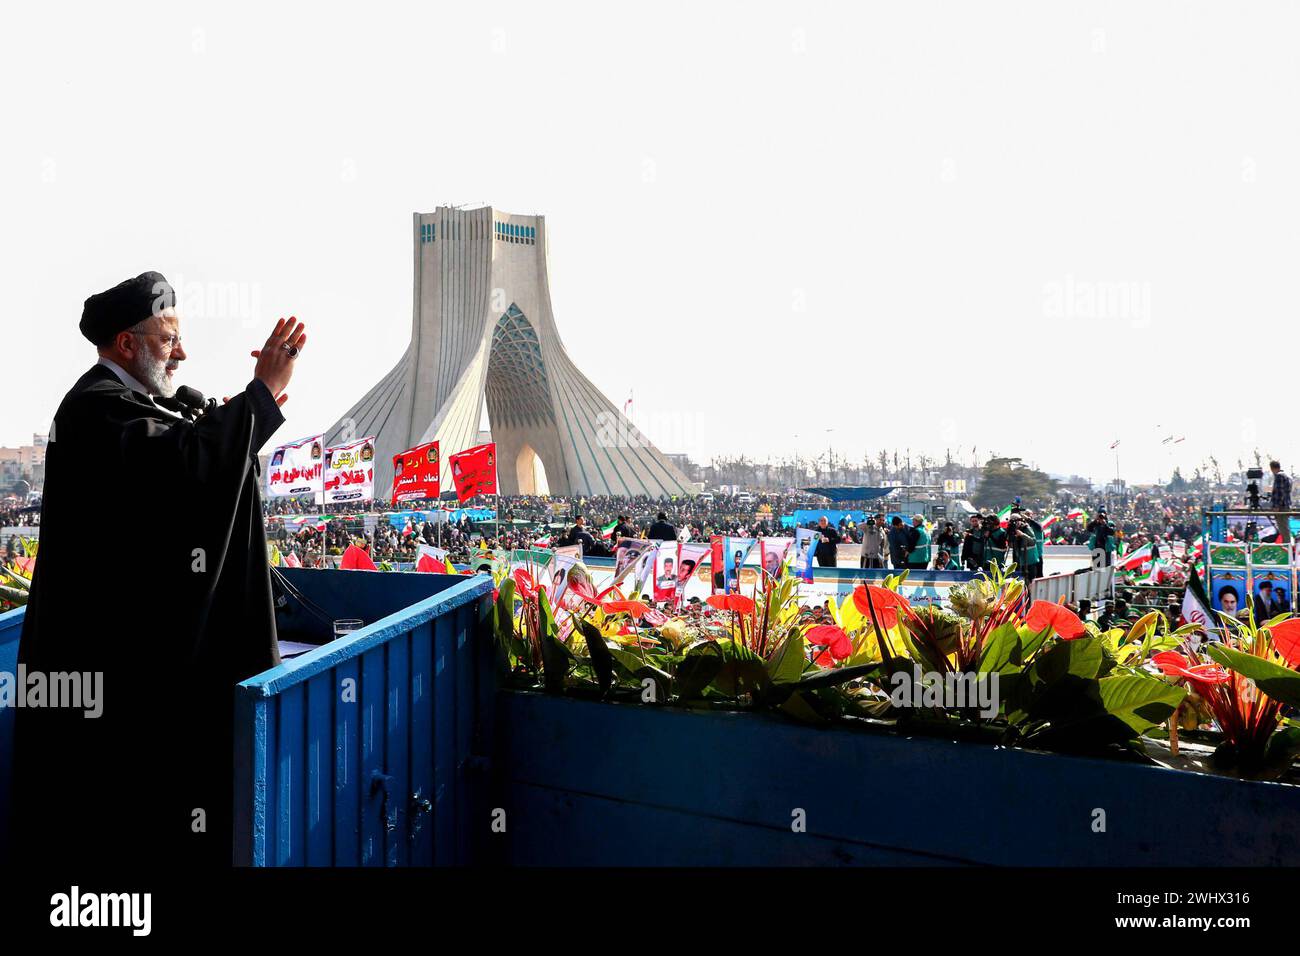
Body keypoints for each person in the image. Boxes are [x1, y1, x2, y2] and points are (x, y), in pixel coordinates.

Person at [15, 272, 303, 867]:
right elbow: (184, 470)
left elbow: (192, 460)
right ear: (126, 344)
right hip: (105, 674)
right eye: (168, 339)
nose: (182, 353)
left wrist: (246, 412)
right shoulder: (95, 412)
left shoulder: (139, 408)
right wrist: (259, 398)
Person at [1270, 461, 1292, 544]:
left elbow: (1279, 492)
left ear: (1272, 468)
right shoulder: (1287, 476)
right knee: (1285, 528)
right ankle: (1288, 545)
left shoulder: (1279, 476)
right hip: (1286, 505)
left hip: (1281, 507)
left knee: (1283, 529)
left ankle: (1287, 547)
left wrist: (1276, 506)